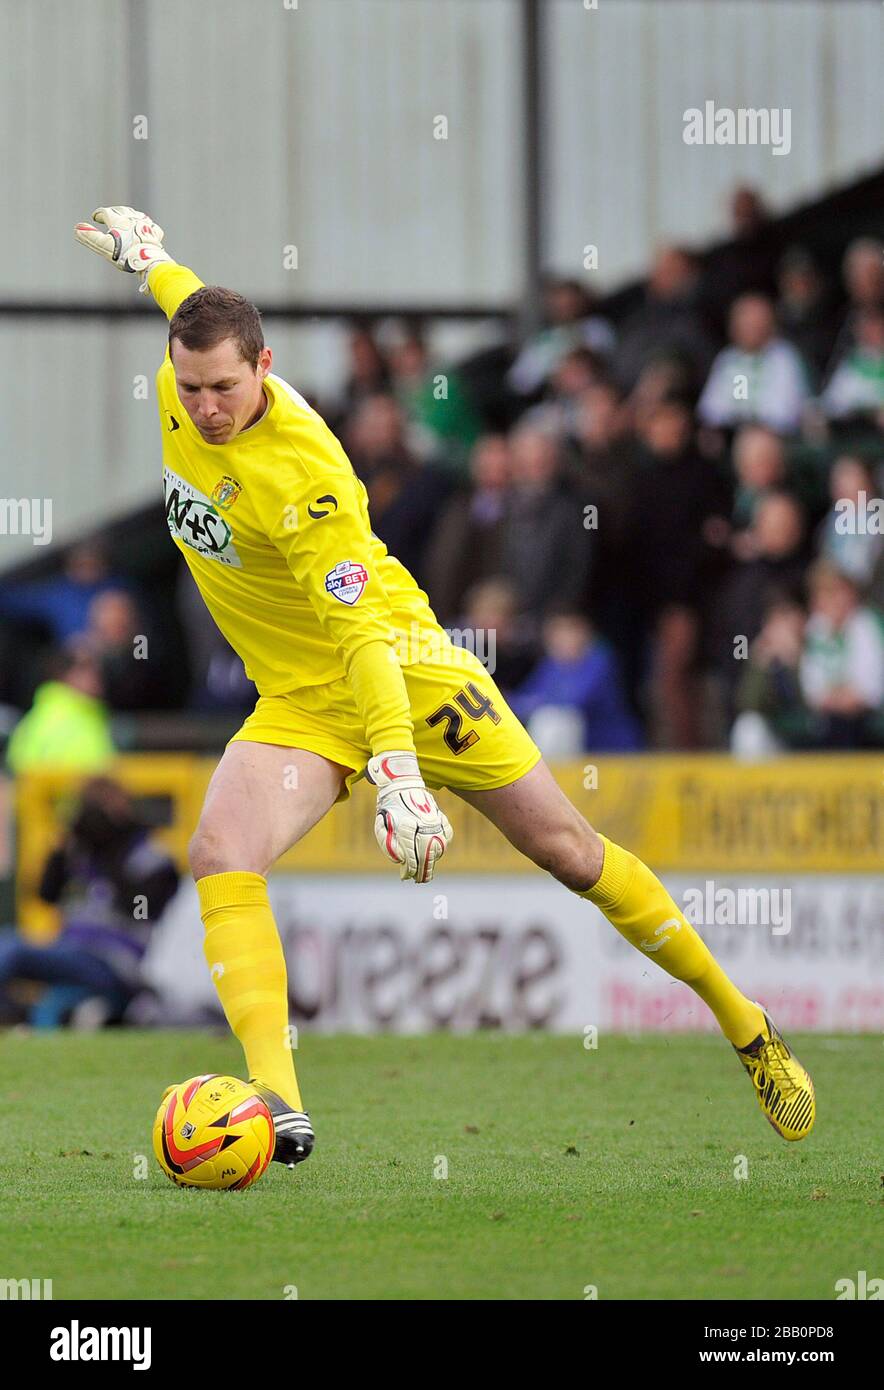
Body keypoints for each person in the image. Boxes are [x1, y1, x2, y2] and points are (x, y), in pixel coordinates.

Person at [73, 205, 817, 1169]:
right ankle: (277, 1104)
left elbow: (366, 640)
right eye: (190, 386)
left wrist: (400, 776)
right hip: (299, 702)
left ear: (264, 372)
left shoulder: (308, 477)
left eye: (224, 387)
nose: (206, 406)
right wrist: (151, 257)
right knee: (221, 851)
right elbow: (184, 297)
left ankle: (747, 1024)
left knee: (572, 854)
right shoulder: (189, 374)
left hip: (404, 675)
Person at [0, 778, 179, 1028]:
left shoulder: (149, 856)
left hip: (117, 963)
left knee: (12, 949)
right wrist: (65, 848)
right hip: (70, 953)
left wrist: (112, 851)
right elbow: (46, 895)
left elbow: (141, 911)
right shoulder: (81, 852)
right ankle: (18, 1014)